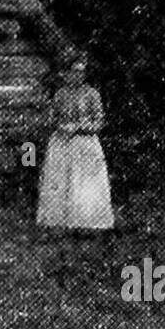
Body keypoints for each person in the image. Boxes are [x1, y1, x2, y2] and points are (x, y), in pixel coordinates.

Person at [36, 59, 116, 231]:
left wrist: (84, 127)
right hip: (62, 142)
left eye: (80, 72)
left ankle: (87, 220)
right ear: (66, 74)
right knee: (61, 180)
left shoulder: (92, 94)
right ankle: (59, 221)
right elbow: (52, 118)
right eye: (73, 72)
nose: (76, 76)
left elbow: (100, 120)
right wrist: (61, 127)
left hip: (85, 142)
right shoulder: (60, 94)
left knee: (84, 181)